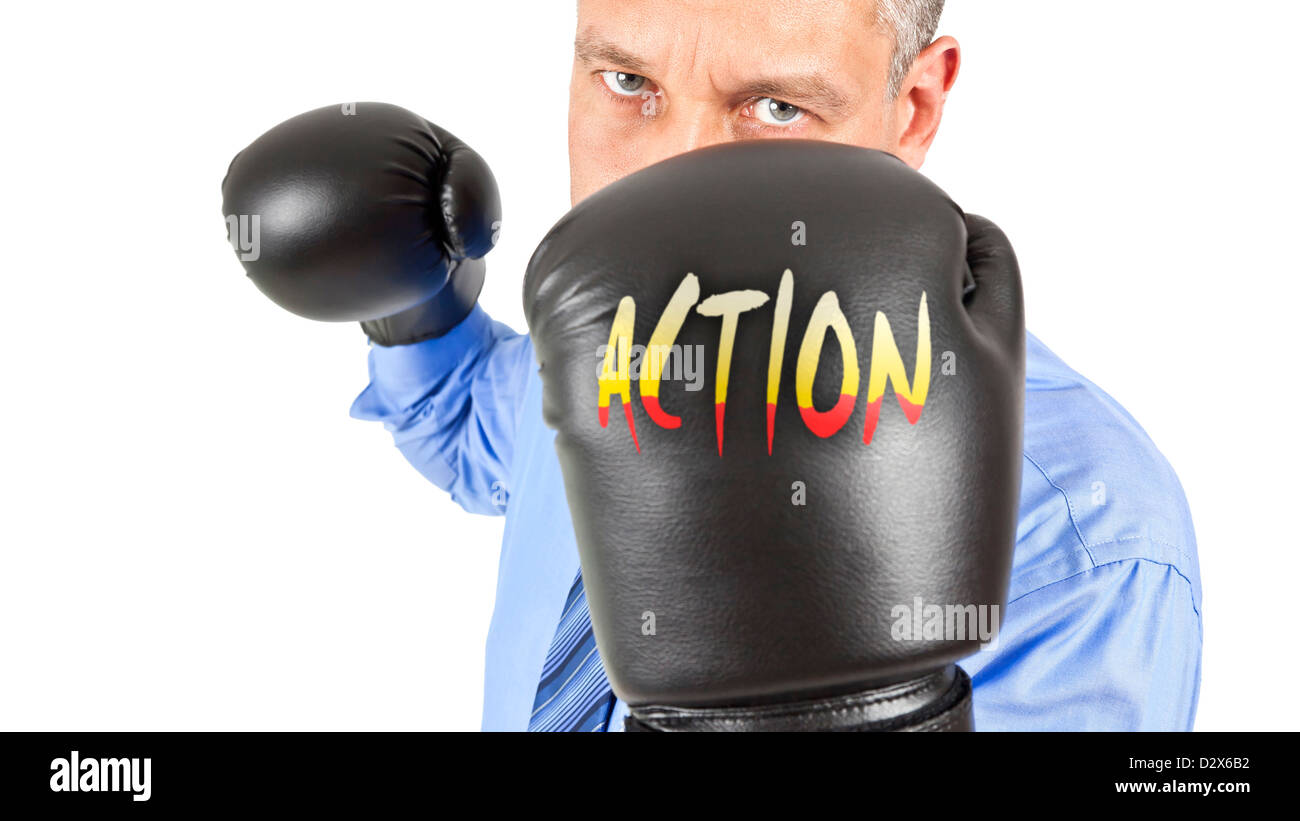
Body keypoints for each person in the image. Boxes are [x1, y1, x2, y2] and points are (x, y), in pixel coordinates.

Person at [224, 0, 1201, 731]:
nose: (672, 171)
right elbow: (484, 435)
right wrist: (414, 302)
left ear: (912, 108)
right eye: (627, 84)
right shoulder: (609, 348)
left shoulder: (1082, 525)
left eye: (773, 105)